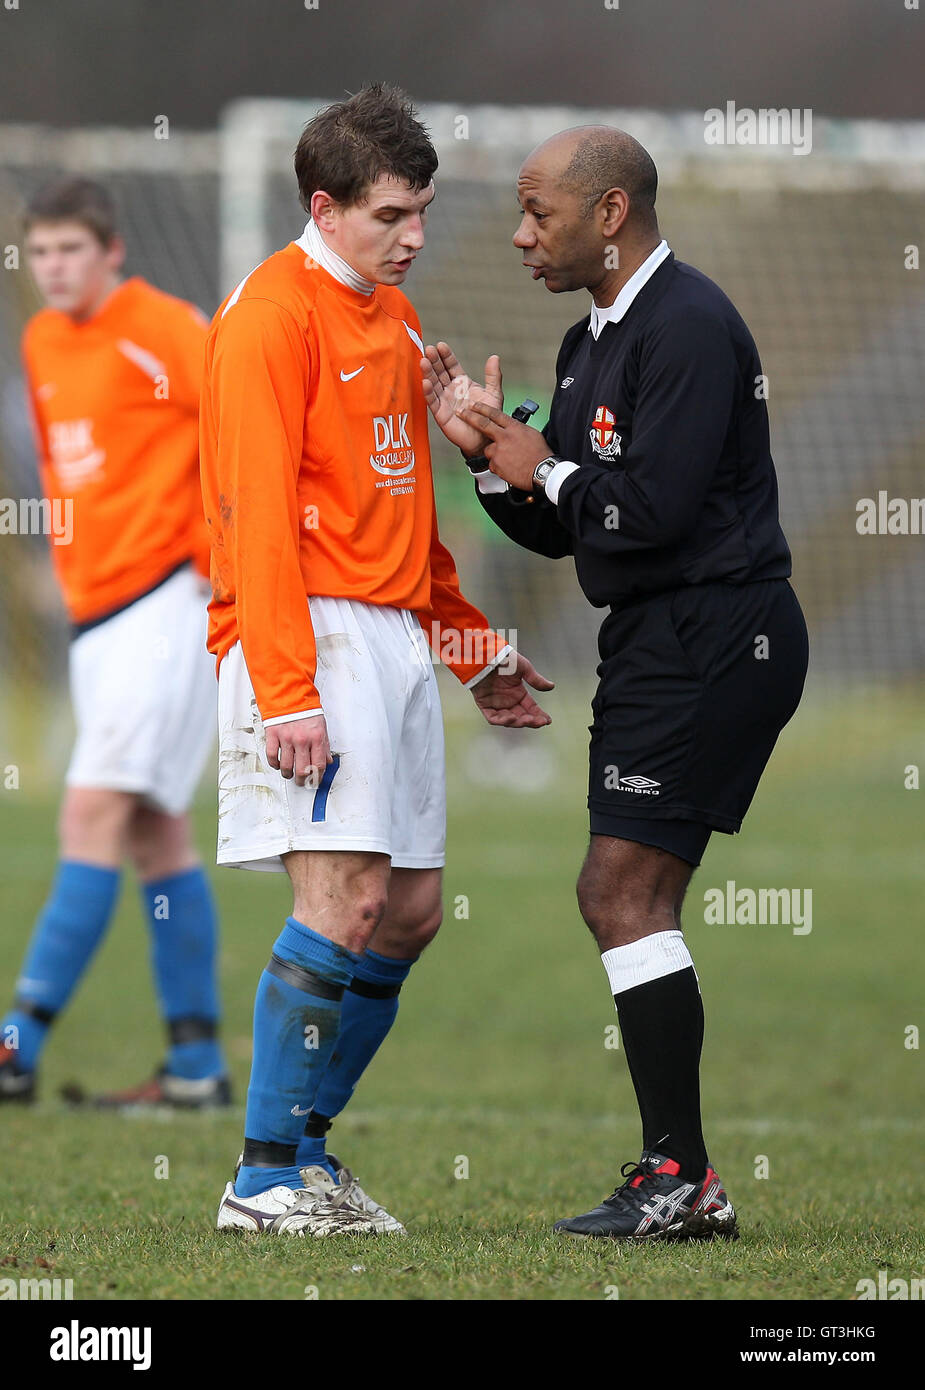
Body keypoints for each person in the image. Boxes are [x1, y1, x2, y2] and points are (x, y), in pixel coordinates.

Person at [422, 125, 809, 1241]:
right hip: (656, 636)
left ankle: (681, 1178)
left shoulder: (687, 325)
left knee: (620, 892)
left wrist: (532, 456)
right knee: (623, 896)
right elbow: (569, 530)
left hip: (717, 632)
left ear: (609, 213)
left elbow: (650, 511)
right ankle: (683, 1175)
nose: (517, 233)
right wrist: (487, 461)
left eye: (537, 212)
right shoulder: (589, 341)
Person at [202, 84, 553, 1237]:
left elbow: (409, 518)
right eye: (394, 215)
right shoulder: (268, 318)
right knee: (343, 900)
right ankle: (261, 1180)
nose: (415, 235)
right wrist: (287, 689)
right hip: (311, 627)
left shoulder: (396, 323)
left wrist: (470, 650)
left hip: (395, 633)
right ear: (325, 205)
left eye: (422, 212)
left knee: (407, 913)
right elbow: (256, 519)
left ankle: (304, 1155)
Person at [0, 177, 229, 1110]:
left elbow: (239, 424)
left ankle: (16, 1050)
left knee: (87, 817)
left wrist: (216, 556)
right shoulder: (42, 340)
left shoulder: (165, 326)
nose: (53, 267)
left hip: (165, 605)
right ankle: (195, 1067)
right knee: (155, 836)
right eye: (40, 251)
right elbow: (67, 475)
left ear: (111, 250)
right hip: (98, 619)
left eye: (70, 250)